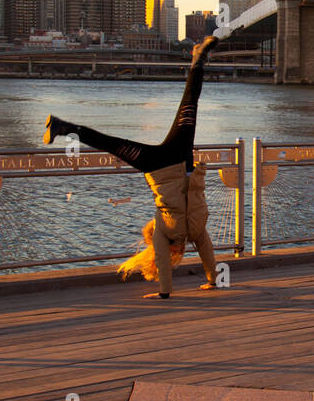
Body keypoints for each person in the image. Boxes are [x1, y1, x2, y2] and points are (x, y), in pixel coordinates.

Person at [42, 35, 220, 298]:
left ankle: (64, 126)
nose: (174, 255)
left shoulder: (175, 230)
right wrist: (204, 283)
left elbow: (184, 255)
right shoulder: (188, 232)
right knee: (180, 111)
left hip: (168, 165)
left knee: (120, 140)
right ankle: (198, 58)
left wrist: (170, 292)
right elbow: (194, 254)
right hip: (171, 164)